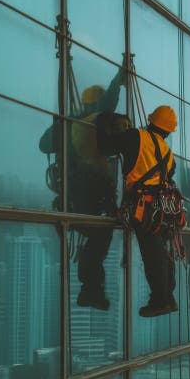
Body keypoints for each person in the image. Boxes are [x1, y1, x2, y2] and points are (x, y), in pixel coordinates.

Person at [39, 70, 124, 311]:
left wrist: (61, 124)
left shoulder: (73, 124)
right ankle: (90, 289)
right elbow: (108, 103)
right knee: (100, 235)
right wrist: (118, 78)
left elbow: (44, 144)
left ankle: (91, 289)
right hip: (87, 196)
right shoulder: (95, 123)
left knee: (98, 236)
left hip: (73, 198)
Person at [97, 105, 181, 317]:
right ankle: (167, 296)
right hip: (162, 207)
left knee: (152, 252)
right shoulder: (168, 154)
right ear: (169, 131)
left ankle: (160, 299)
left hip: (144, 205)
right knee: (161, 251)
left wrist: (101, 122)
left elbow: (105, 147)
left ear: (151, 121)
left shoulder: (136, 137)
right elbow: (169, 174)